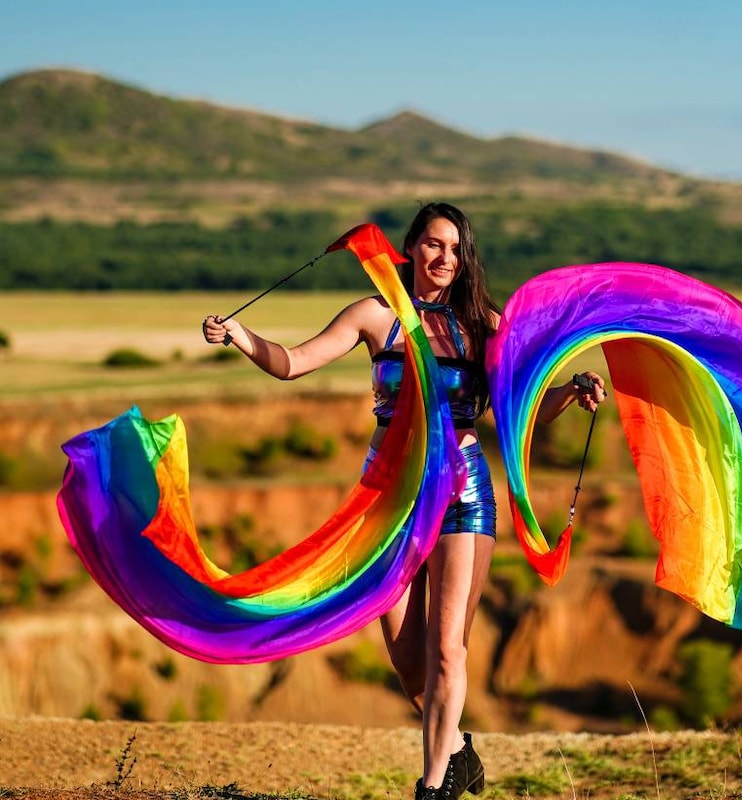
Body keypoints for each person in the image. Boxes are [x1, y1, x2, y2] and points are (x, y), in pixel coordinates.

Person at [202, 202, 606, 800]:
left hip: (462, 495)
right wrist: (240, 335)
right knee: (410, 662)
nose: (445, 258)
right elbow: (291, 364)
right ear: (410, 249)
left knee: (448, 651)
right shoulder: (376, 315)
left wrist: (571, 390)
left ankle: (434, 786)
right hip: (388, 501)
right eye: (434, 245)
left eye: (456, 249)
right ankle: (459, 750)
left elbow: (523, 411)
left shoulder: (483, 326)